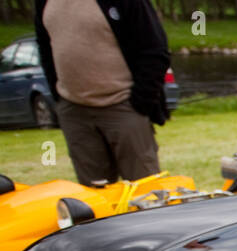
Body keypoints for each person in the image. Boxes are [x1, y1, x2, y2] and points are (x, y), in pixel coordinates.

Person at [33, 0, 171, 185]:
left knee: (145, 193)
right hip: (74, 111)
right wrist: (59, 96)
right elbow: (45, 45)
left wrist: (140, 101)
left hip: (124, 105)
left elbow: (155, 50)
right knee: (94, 196)